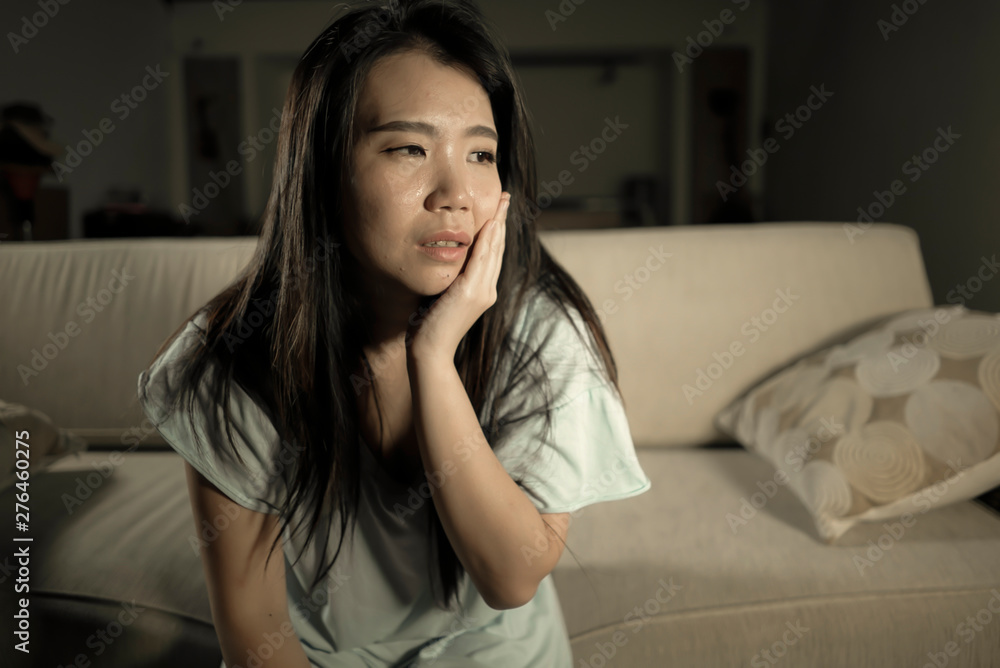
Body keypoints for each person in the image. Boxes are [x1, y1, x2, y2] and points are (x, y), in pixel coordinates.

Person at [136, 1, 652, 666]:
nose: (455, 192)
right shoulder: (234, 356)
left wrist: (433, 356)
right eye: (408, 148)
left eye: (481, 153)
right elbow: (254, 631)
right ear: (323, 174)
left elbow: (510, 576)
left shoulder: (542, 331)